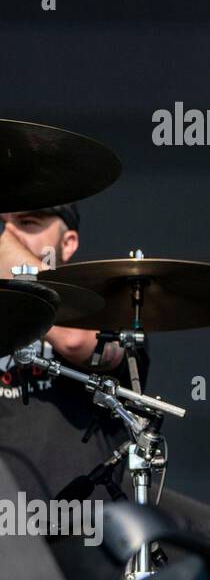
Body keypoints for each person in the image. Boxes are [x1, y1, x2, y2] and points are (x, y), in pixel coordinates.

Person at [0, 204, 128, 501]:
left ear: (68, 243)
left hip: (76, 523)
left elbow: (76, 342)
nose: (8, 235)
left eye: (28, 221)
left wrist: (13, 261)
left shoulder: (108, 306)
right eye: (2, 224)